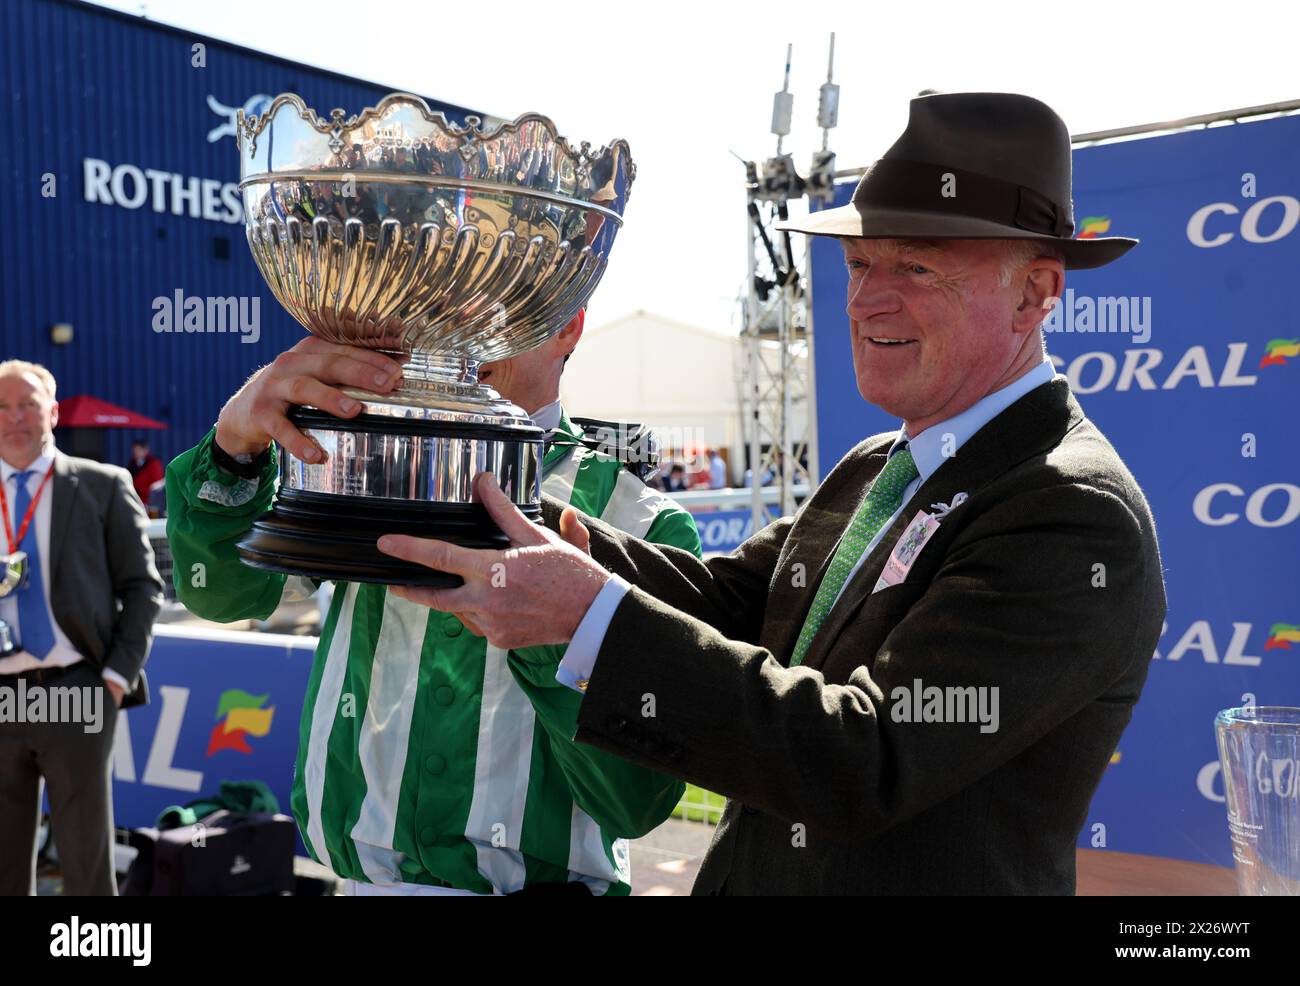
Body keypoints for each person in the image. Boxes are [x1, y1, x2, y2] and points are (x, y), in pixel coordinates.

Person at [376, 92, 1168, 895]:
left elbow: (869, 759)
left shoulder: (1071, 512)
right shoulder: (880, 464)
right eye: (860, 263)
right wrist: (475, 502)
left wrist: (587, 617)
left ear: (1036, 293)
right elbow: (729, 602)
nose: (866, 300)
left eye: (918, 266)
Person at [165, 308, 701, 896]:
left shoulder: (643, 521)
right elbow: (221, 593)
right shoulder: (361, 459)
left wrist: (559, 629)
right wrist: (233, 445)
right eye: (446, 306)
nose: (457, 333)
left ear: (567, 324)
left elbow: (636, 801)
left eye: (498, 303)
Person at [0, 360, 163, 895]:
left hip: (76, 688)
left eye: (27, 404)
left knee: (86, 861)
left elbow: (143, 588)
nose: (14, 417)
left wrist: (114, 679)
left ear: (53, 411)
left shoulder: (102, 485)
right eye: (2, 406)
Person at [127, 439, 164, 507]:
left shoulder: (153, 463)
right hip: (135, 499)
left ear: (145, 450)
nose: (135, 452)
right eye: (134, 450)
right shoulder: (132, 463)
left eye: (138, 450)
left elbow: (157, 484)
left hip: (149, 502)